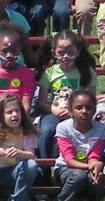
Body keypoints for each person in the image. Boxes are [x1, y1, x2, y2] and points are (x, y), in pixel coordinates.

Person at [35, 30, 98, 159]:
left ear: (78, 51)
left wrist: (74, 112)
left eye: (70, 52)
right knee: (47, 130)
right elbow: (41, 102)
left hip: (79, 114)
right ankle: (44, 166)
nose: (66, 56)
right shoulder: (49, 72)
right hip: (54, 113)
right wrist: (53, 109)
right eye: (61, 53)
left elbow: (91, 100)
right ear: (54, 53)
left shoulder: (86, 72)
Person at [50, 88, 105, 201]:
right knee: (79, 175)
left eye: (88, 108)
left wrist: (95, 166)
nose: (84, 111)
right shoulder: (63, 127)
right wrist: (89, 166)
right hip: (65, 168)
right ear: (70, 111)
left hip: (88, 166)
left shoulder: (101, 128)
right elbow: (69, 159)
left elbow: (94, 154)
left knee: (98, 176)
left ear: (94, 110)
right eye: (79, 108)